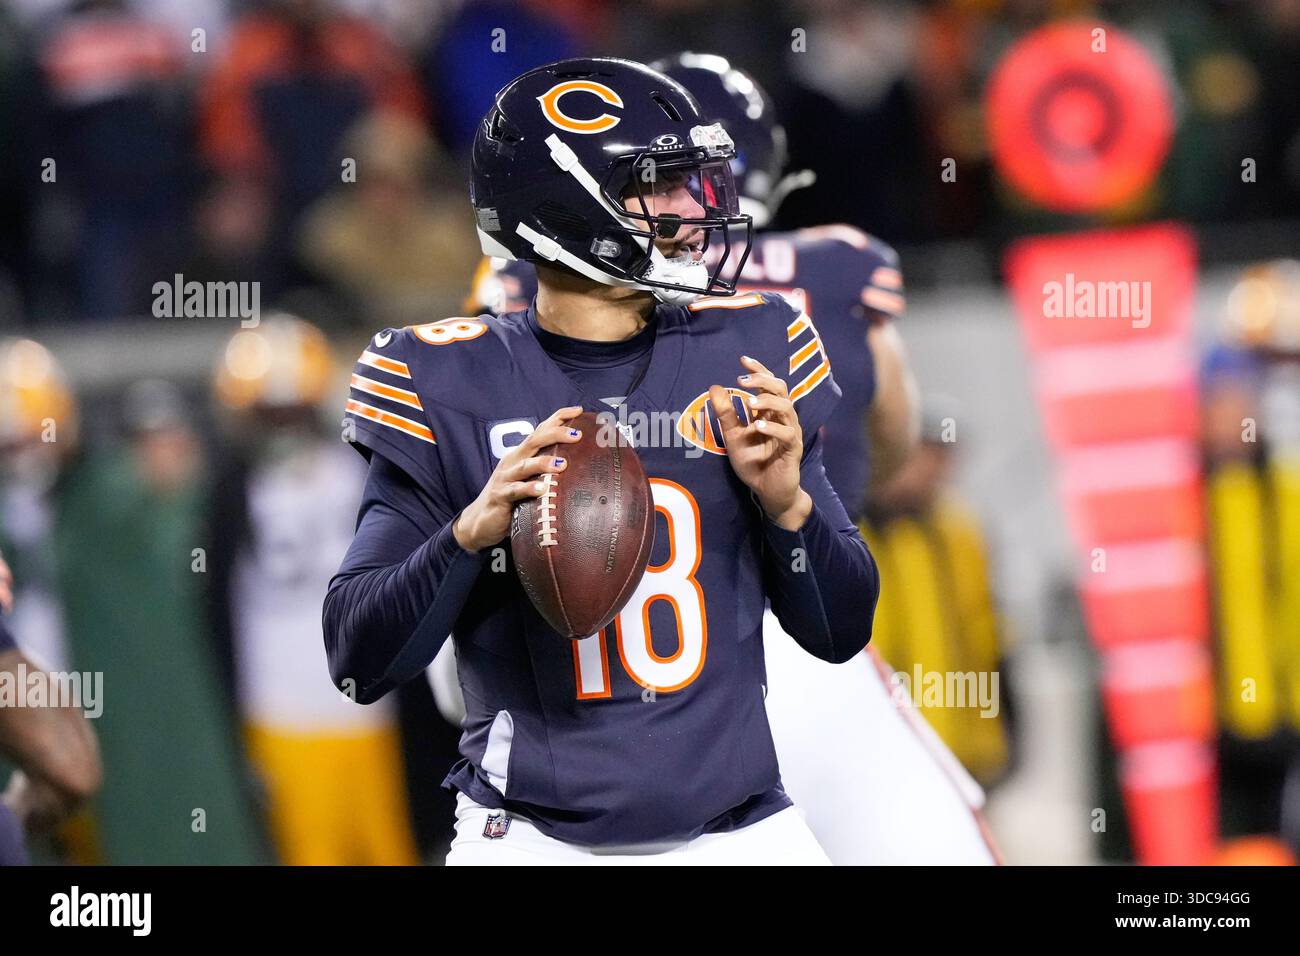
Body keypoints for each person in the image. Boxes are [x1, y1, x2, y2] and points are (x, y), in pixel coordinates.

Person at [324, 56, 878, 864]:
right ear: (567, 206)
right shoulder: (442, 376)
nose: (692, 207)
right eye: (658, 185)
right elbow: (357, 658)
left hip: (740, 830)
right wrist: (467, 538)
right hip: (531, 838)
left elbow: (840, 629)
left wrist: (789, 508)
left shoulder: (757, 344)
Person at [209, 315, 419, 865]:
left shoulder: (235, 490)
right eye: (272, 413)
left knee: (375, 848)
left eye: (288, 411)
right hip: (296, 706)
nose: (281, 428)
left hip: (352, 706)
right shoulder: (362, 468)